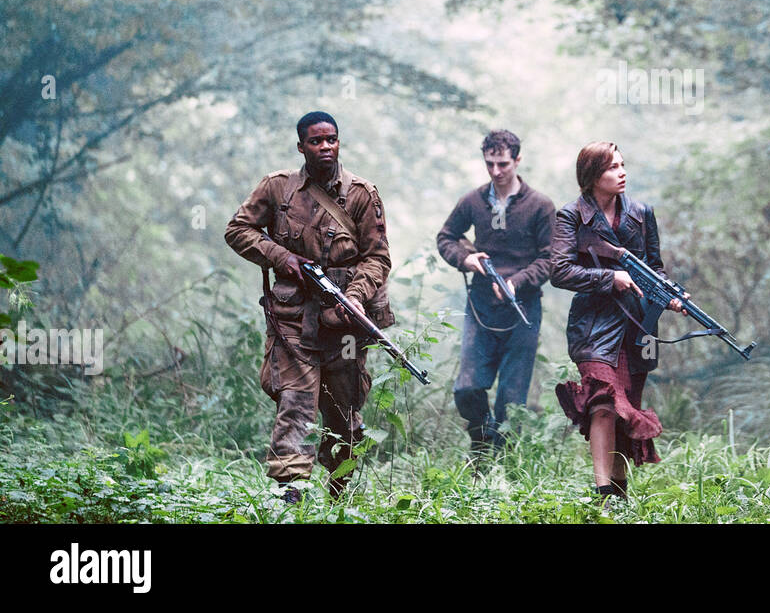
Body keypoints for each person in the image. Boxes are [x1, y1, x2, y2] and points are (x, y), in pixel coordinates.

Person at [224, 111, 394, 502]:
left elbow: (378, 257)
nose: (325, 147)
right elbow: (237, 230)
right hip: (293, 319)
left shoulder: (361, 194)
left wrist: (355, 296)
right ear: (301, 146)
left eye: (331, 139)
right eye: (316, 141)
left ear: (340, 142)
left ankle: (339, 492)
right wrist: (280, 258)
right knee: (296, 402)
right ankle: (291, 492)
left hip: (344, 323)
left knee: (344, 411)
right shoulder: (277, 189)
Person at [550, 142, 686, 504]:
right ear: (593, 175)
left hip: (637, 324)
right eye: (612, 167)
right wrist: (609, 279)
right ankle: (602, 493)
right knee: (604, 403)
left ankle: (620, 491)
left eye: (623, 165)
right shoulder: (571, 216)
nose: (622, 172)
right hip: (593, 325)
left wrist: (668, 296)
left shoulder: (642, 213)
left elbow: (655, 268)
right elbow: (560, 271)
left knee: (628, 405)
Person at [436, 129, 555, 459]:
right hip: (481, 305)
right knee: (467, 387)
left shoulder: (540, 206)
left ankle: (502, 470)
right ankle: (480, 440)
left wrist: (518, 281)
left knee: (511, 398)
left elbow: (550, 259)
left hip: (524, 310)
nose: (496, 171)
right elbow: (446, 237)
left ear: (518, 160)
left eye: (503, 163)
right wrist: (466, 259)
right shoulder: (473, 201)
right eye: (490, 163)